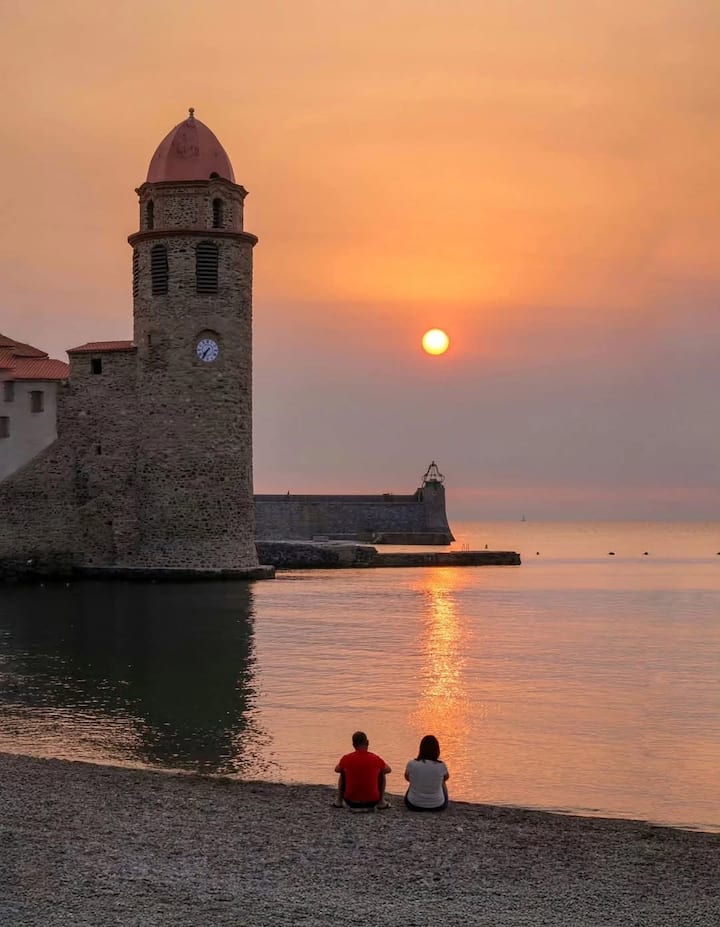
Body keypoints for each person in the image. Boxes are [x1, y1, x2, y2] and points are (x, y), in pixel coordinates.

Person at [334, 731, 391, 810]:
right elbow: (388, 770)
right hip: (372, 801)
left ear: (353, 745)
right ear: (367, 742)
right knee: (382, 772)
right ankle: (381, 802)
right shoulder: (375, 758)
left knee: (342, 771)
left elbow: (337, 769)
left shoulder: (346, 758)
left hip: (351, 801)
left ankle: (339, 801)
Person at [404, 734, 449, 812]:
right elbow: (446, 777)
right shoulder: (441, 765)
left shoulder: (411, 764)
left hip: (413, 804)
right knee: (442, 781)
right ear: (437, 750)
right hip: (438, 806)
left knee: (413, 779)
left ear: (421, 749)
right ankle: (436, 798)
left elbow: (407, 778)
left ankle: (417, 797)